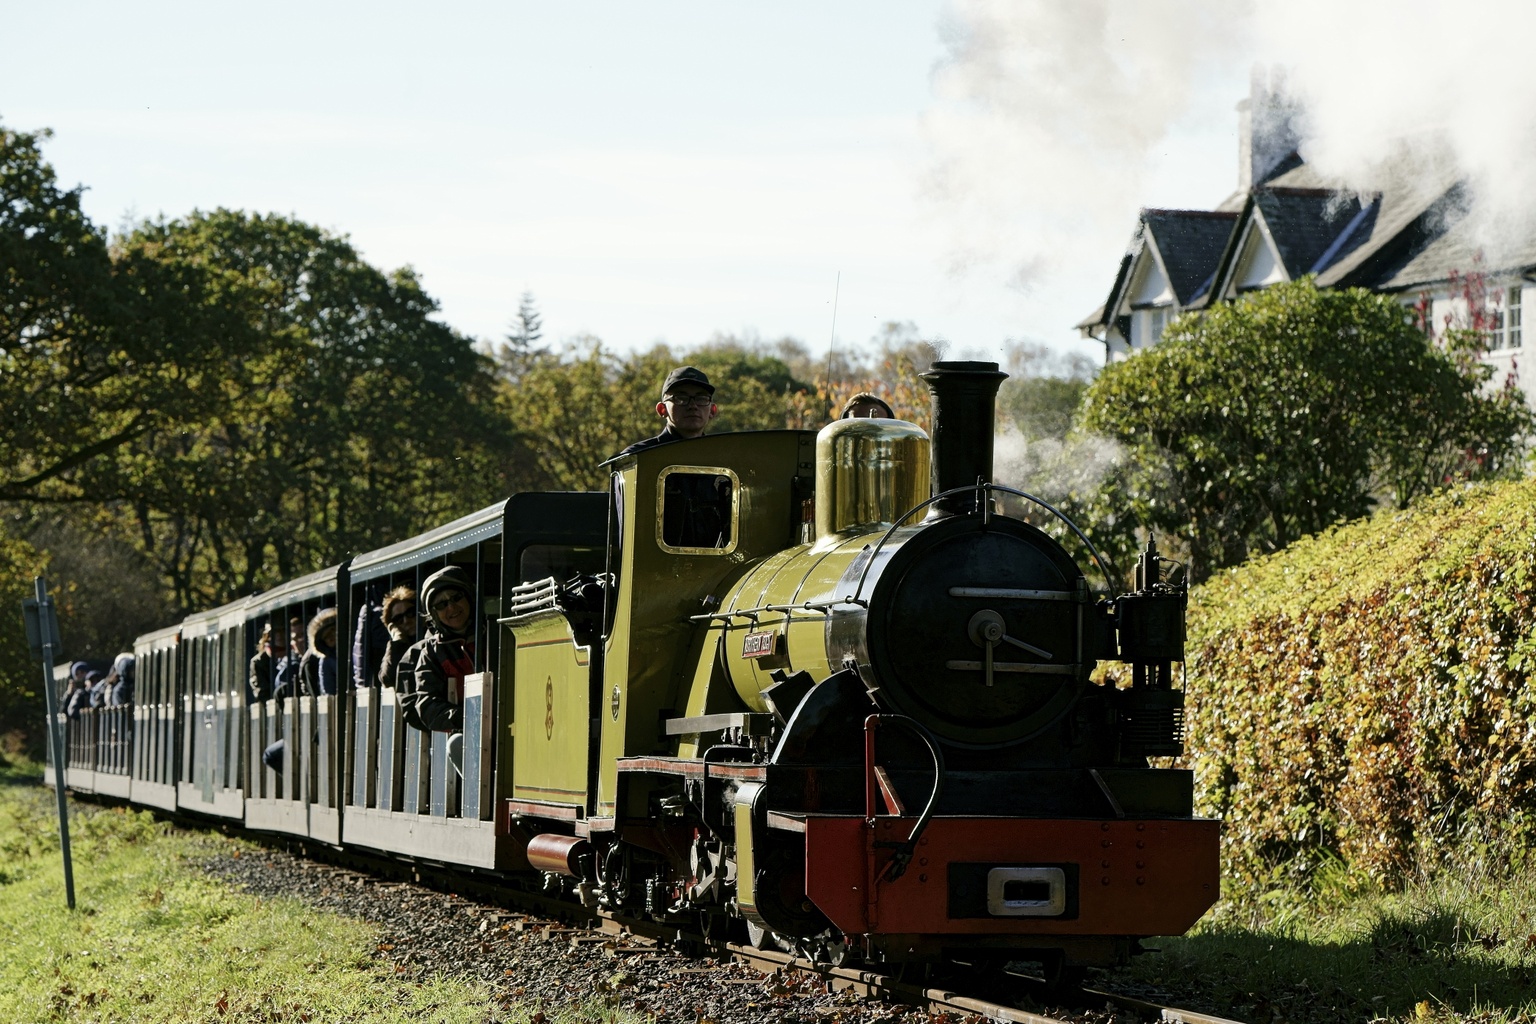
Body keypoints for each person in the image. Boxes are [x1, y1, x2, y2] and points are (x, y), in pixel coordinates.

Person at [413, 566, 476, 774]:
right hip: (468, 732)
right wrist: (466, 717)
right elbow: (427, 706)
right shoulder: (432, 652)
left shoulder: (497, 632)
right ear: (434, 614)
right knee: (456, 744)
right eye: (441, 604)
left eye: (456, 598)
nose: (451, 607)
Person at [614, 366, 717, 458]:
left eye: (701, 399)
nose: (693, 406)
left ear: (712, 410)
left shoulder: (721, 455)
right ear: (662, 409)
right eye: (681, 398)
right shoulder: (638, 457)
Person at [376, 586, 418, 689]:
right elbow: (387, 679)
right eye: (399, 619)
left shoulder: (432, 638)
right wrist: (398, 639)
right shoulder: (397, 646)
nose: (406, 621)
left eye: (410, 613)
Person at [299, 608, 339, 697]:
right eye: (326, 637)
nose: (331, 637)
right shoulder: (326, 661)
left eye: (332, 630)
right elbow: (328, 692)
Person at [248, 623, 288, 703]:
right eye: (275, 632)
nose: (279, 635)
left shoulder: (295, 653)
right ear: (267, 636)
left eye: (283, 631)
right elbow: (261, 691)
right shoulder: (259, 661)